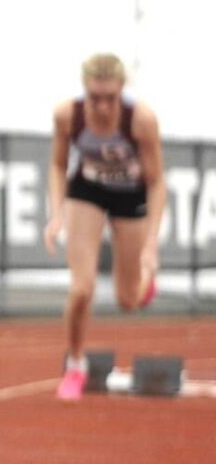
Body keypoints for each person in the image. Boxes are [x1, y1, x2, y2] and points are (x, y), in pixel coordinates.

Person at [44, 53, 163, 401]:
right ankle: (76, 365)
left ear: (121, 91)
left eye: (110, 98)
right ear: (85, 92)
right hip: (88, 191)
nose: (102, 106)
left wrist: (151, 246)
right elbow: (56, 164)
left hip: (130, 195)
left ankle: (145, 283)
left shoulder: (141, 120)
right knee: (82, 287)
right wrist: (56, 214)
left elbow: (157, 184)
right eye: (95, 97)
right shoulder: (68, 115)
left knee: (128, 300)